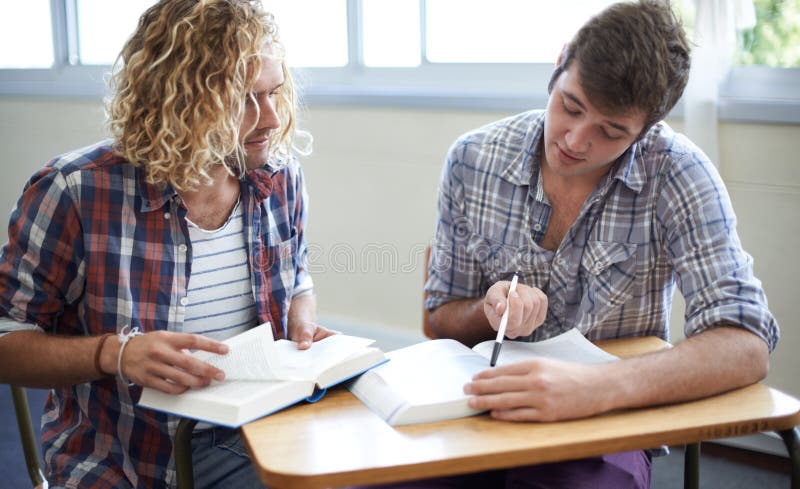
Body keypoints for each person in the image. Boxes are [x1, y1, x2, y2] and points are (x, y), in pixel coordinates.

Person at [404, 1, 779, 488]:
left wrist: (596, 388)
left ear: (645, 129)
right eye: (571, 106)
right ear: (559, 63)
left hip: (607, 426)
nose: (575, 141)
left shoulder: (679, 174)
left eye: (610, 131)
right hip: (476, 412)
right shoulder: (472, 159)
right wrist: (488, 311)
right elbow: (438, 319)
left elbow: (746, 344)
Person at [0, 1, 333, 488]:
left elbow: (296, 272)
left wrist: (300, 316)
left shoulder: (278, 177)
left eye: (275, 92)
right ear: (180, 101)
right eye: (243, 99)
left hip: (253, 431)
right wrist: (113, 354)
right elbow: (6, 338)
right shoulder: (74, 191)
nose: (269, 118)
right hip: (123, 455)